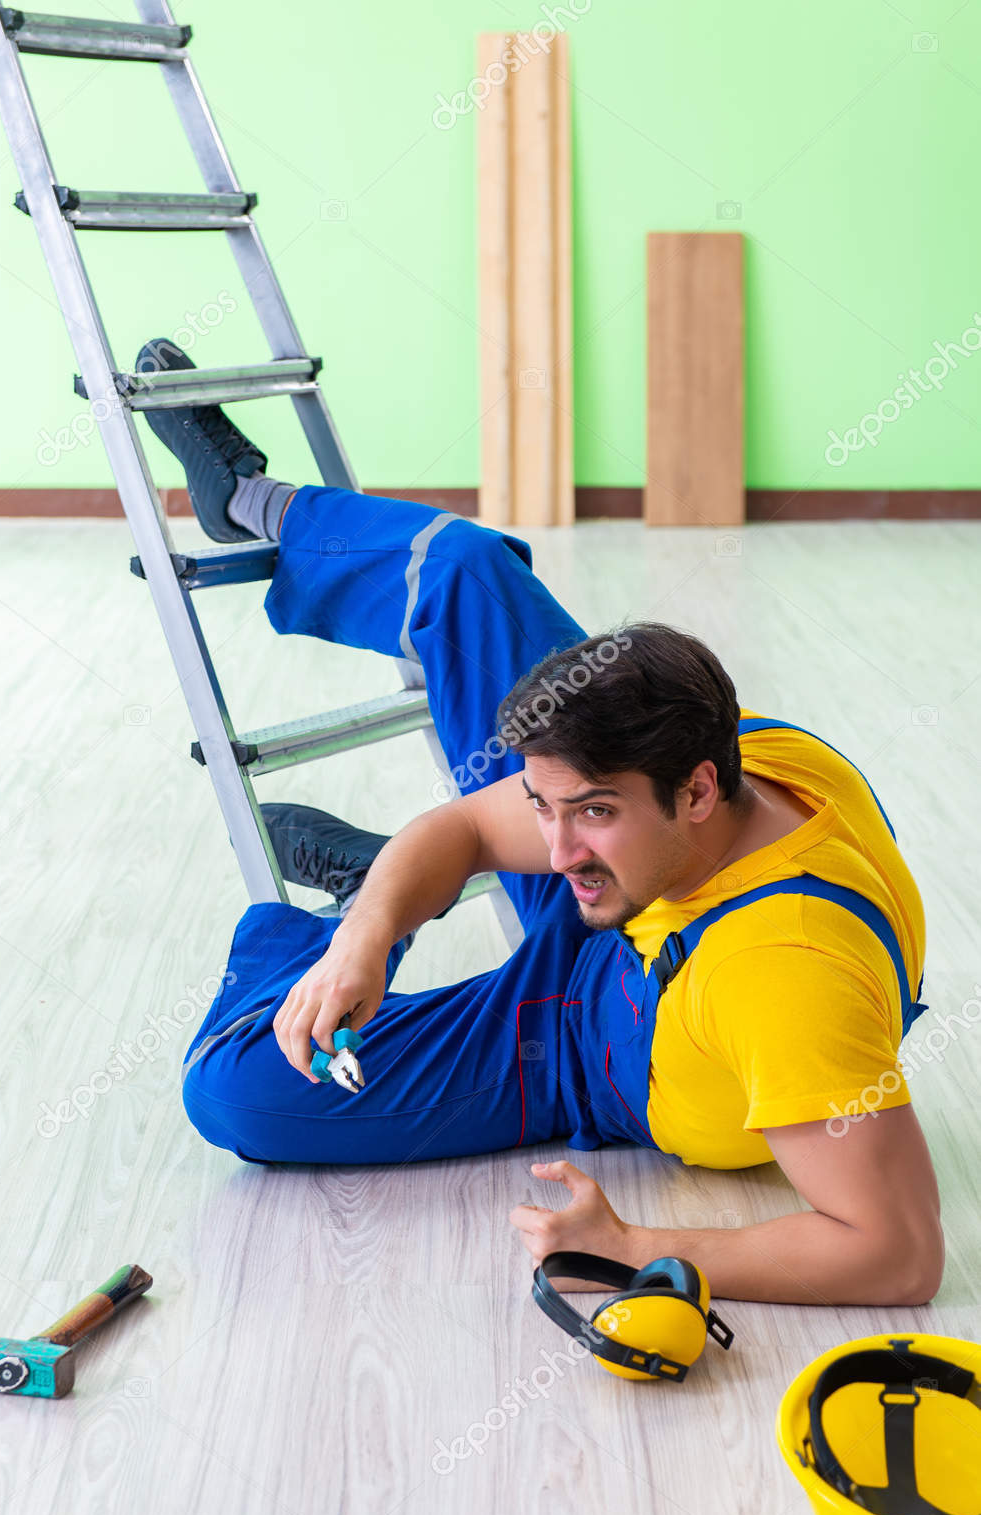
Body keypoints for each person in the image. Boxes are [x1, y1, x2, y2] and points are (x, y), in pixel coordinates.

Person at [138, 337, 944, 1308]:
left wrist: (638, 1242)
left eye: (593, 814)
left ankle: (322, 923)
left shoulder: (785, 979)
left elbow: (899, 1253)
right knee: (469, 568)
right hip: (640, 921)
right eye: (549, 807)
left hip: (588, 1043)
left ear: (695, 788)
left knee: (237, 1091)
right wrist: (369, 938)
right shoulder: (745, 757)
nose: (554, 854)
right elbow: (472, 831)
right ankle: (256, 507)